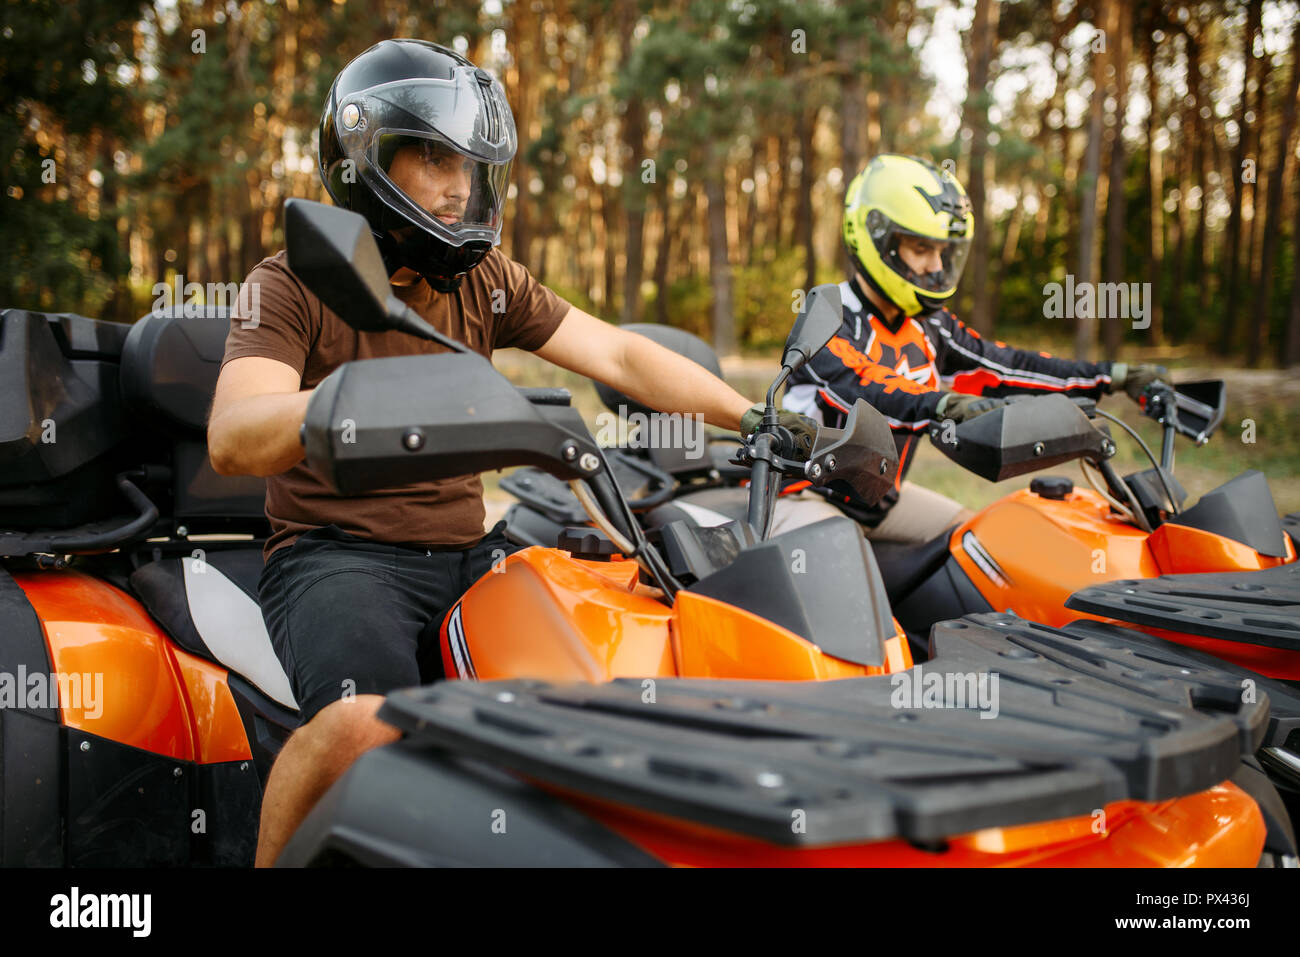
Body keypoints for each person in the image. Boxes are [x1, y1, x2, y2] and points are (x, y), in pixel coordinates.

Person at [206, 39, 814, 866]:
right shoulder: (289, 282)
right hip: (337, 559)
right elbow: (234, 435)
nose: (460, 184)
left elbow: (621, 357)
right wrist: (354, 401)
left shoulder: (484, 279)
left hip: (471, 549)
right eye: (434, 157)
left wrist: (752, 416)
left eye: (472, 164)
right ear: (365, 156)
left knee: (600, 685)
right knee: (362, 725)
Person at [772, 153, 1165, 542]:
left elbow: (1007, 366)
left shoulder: (930, 325)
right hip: (804, 495)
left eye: (942, 252)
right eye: (921, 249)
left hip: (880, 502)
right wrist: (943, 404)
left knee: (987, 544)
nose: (936, 266)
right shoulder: (827, 314)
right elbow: (865, 385)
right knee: (847, 571)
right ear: (877, 239)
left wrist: (1112, 376)